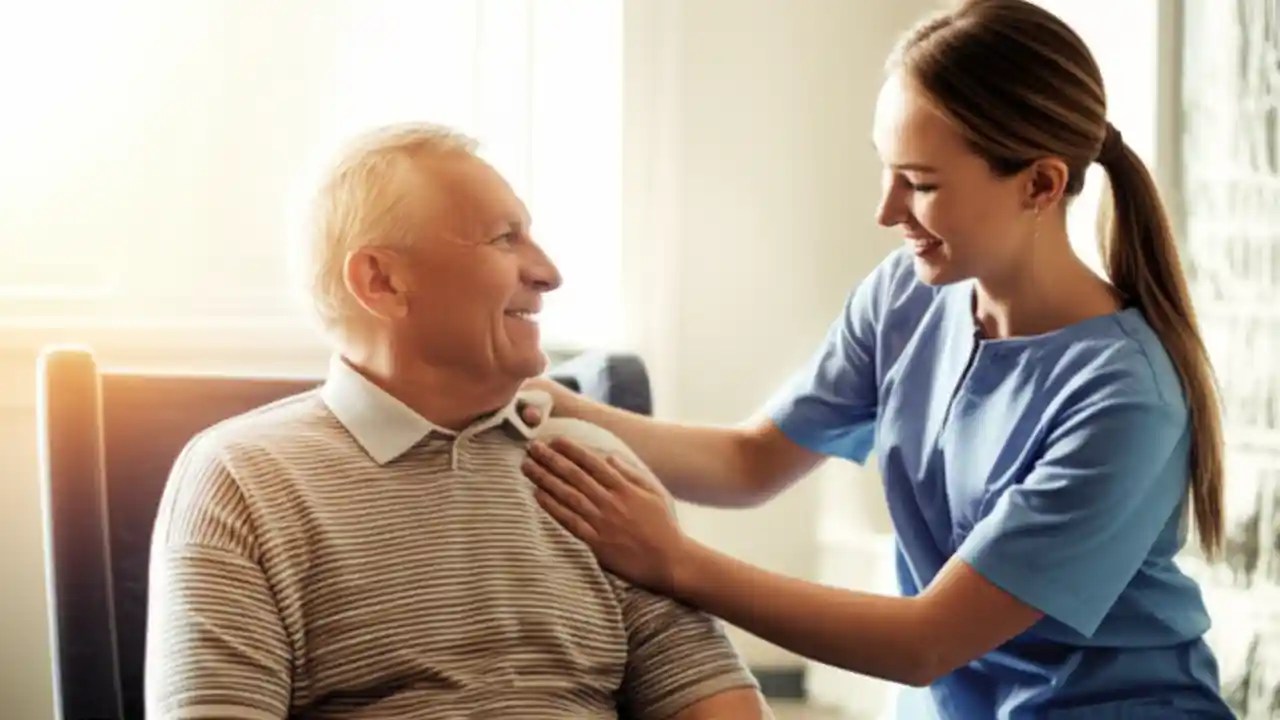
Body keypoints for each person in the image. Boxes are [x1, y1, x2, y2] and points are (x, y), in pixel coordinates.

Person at [520, 0, 1235, 717]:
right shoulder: (907, 297)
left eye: (920, 183)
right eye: (887, 171)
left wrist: (674, 560)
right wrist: (543, 400)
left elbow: (925, 643)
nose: (887, 210)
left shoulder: (1124, 398)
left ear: (1040, 185)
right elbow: (750, 461)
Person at [144, 123, 771, 719]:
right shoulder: (243, 480)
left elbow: (720, 707)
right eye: (504, 238)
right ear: (381, 280)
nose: (549, 273)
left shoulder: (592, 470)